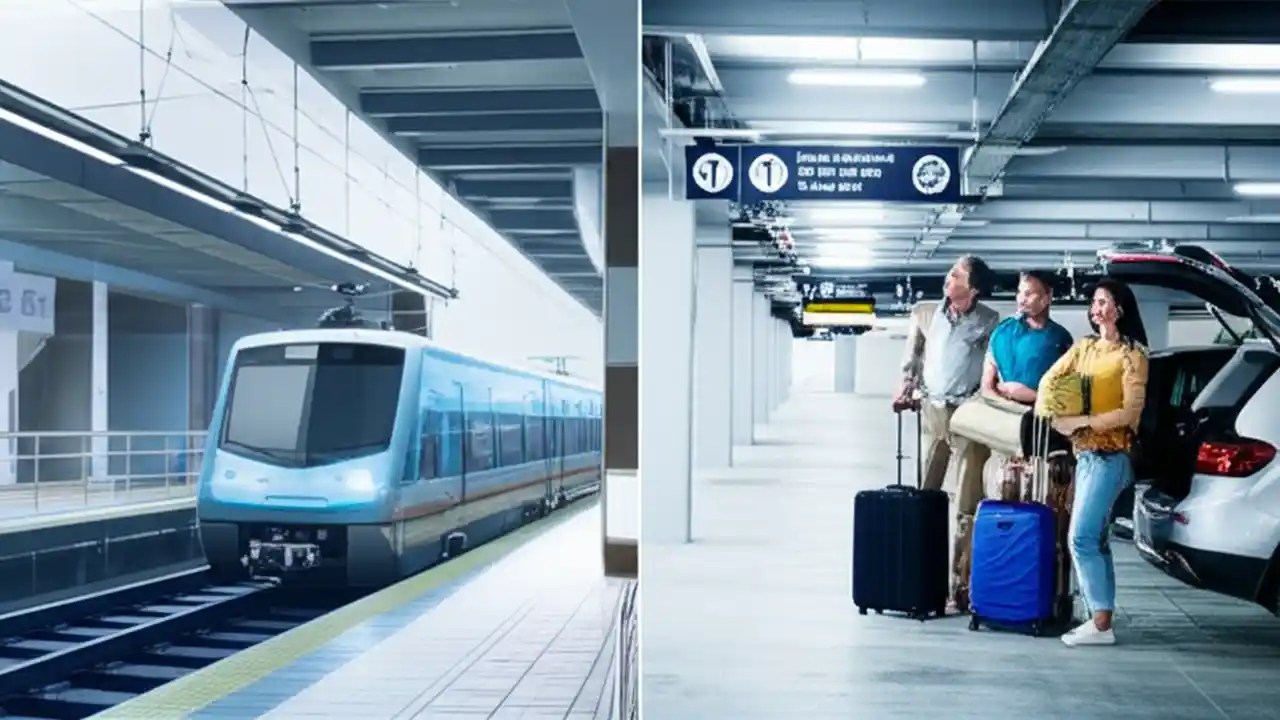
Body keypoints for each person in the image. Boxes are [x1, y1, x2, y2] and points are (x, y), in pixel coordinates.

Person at [1036, 277, 1149, 647]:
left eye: (1104, 302)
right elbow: (1052, 381)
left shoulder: (1133, 355)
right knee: (1094, 539)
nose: (1096, 308)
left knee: (1081, 537)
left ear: (1121, 309)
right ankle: (1100, 618)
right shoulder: (1083, 348)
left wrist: (1081, 421)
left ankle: (1100, 624)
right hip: (1083, 455)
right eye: (1094, 302)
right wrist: (1056, 414)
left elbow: (1130, 413)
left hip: (1111, 456)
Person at [895, 255, 1000, 612]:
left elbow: (990, 369)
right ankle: (919, 575)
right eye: (950, 272)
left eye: (956, 275)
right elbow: (912, 359)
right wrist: (905, 389)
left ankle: (961, 586)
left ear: (973, 288)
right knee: (926, 495)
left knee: (967, 503)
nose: (948, 278)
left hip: (969, 416)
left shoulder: (989, 321)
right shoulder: (924, 313)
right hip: (932, 412)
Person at [981, 270, 1074, 501]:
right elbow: (986, 386)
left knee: (1041, 495)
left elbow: (1068, 396)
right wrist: (1006, 398)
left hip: (1043, 429)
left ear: (1047, 297)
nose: (1022, 299)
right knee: (1003, 490)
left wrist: (1032, 396)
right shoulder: (1002, 333)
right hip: (1005, 426)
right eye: (1019, 292)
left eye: (1030, 293)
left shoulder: (1060, 340)